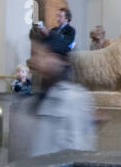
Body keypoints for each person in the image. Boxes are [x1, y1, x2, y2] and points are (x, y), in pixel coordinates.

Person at [24, 27, 95, 157]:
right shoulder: (44, 95)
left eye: (41, 55)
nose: (35, 61)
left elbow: (77, 147)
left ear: (58, 58)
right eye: (34, 54)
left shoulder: (73, 98)